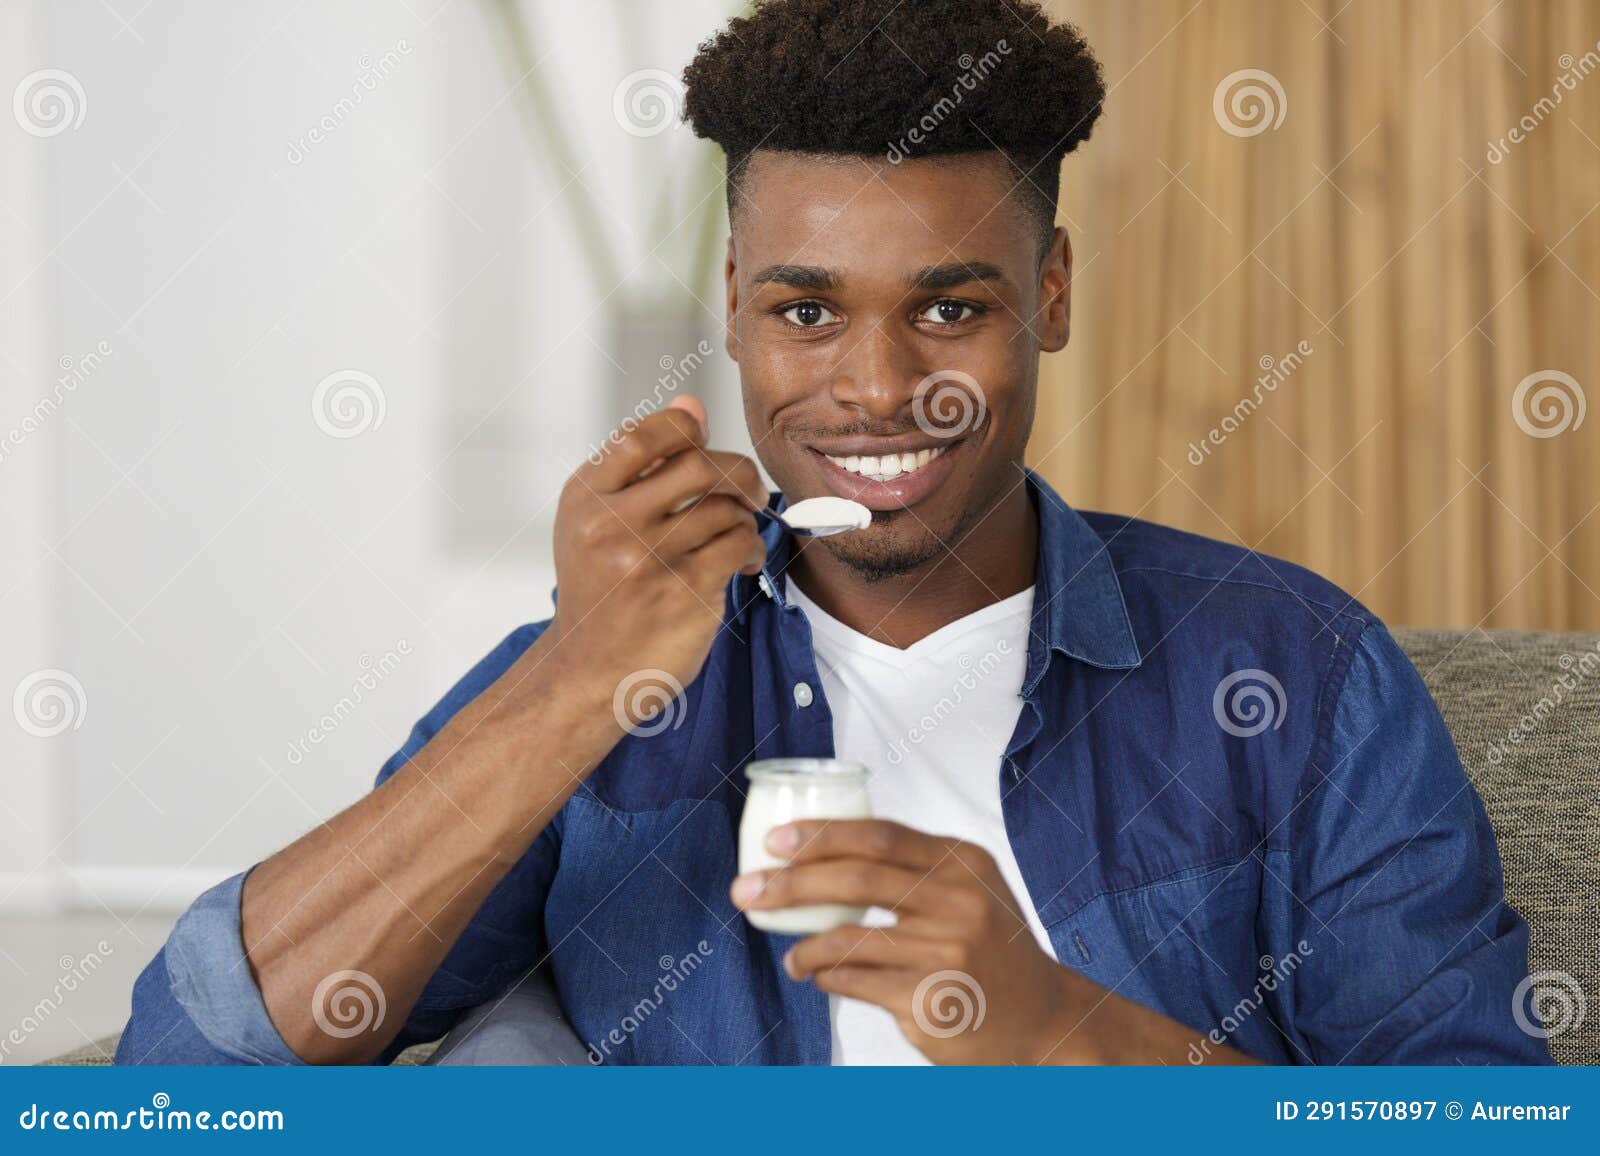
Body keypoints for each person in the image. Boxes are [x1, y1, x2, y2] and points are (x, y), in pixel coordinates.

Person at [117, 0, 1550, 1066]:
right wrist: (568, 681)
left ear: (1048, 297)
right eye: (807, 311)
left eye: (950, 305)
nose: (874, 388)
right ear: (733, 301)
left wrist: (1049, 1029)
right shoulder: (601, 683)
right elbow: (189, 1080)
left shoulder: (1294, 676)